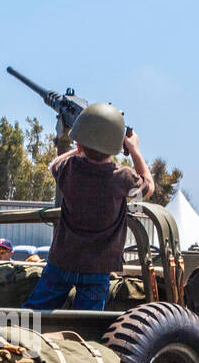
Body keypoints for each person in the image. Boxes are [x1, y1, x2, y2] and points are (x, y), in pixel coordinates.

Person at [23, 103, 154, 312]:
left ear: (80, 144)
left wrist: (77, 148)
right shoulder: (123, 178)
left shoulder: (70, 170)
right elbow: (148, 187)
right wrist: (134, 150)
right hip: (98, 268)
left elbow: (53, 165)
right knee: (87, 321)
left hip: (62, 260)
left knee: (34, 313)